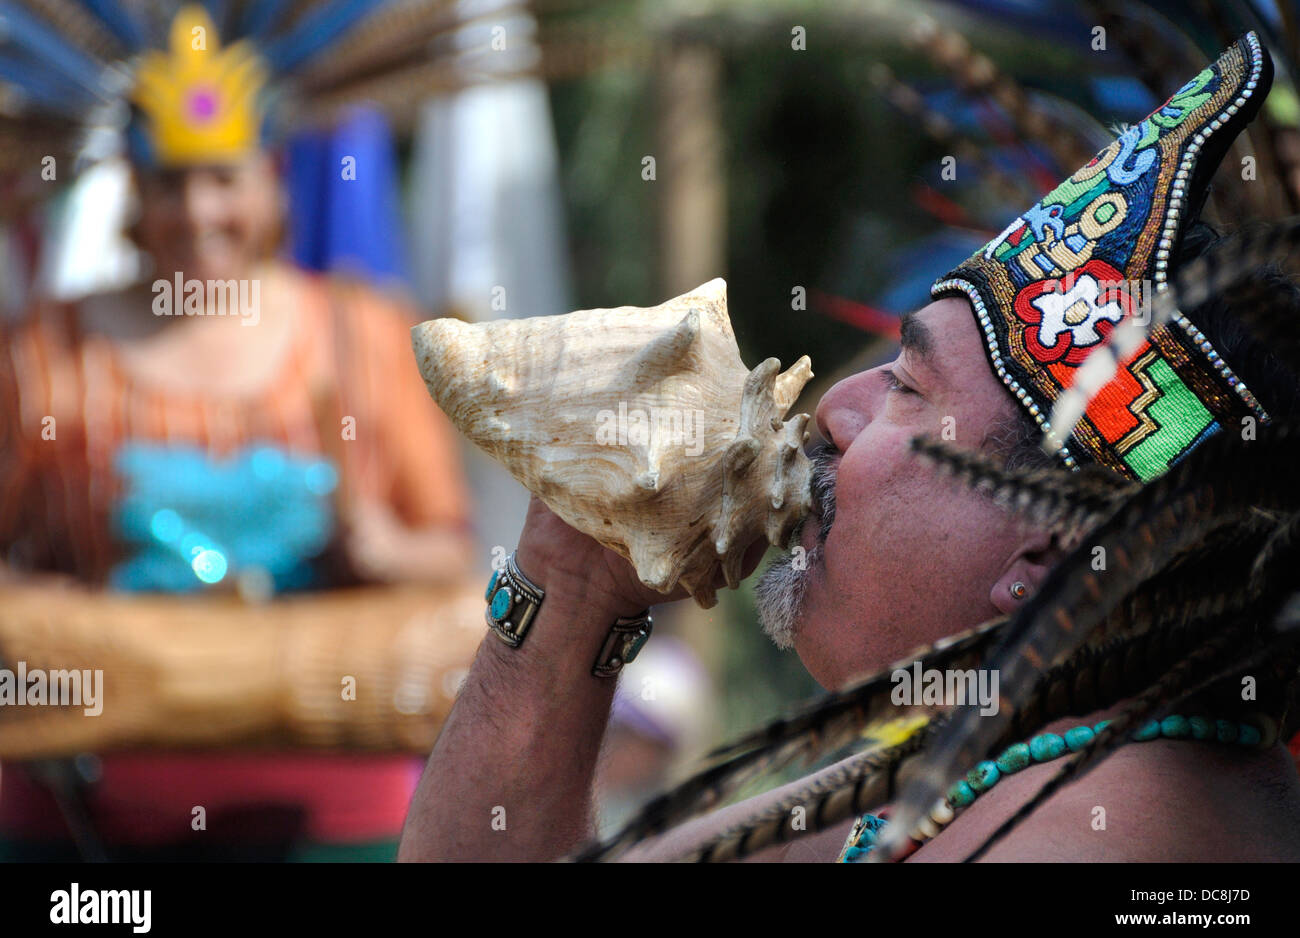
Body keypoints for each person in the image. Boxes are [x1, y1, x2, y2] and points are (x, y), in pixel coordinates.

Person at [398, 32, 1300, 862]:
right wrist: (575, 573)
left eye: (907, 388)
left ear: (1052, 543)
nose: (836, 408)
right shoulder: (954, 790)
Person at [0, 6, 473, 861]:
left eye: (223, 178)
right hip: (88, 819)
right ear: (133, 193)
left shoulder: (362, 335)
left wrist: (378, 548)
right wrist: (44, 606)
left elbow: (452, 557)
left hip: (336, 805)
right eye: (169, 181)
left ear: (270, 177)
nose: (198, 210)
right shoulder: (41, 353)